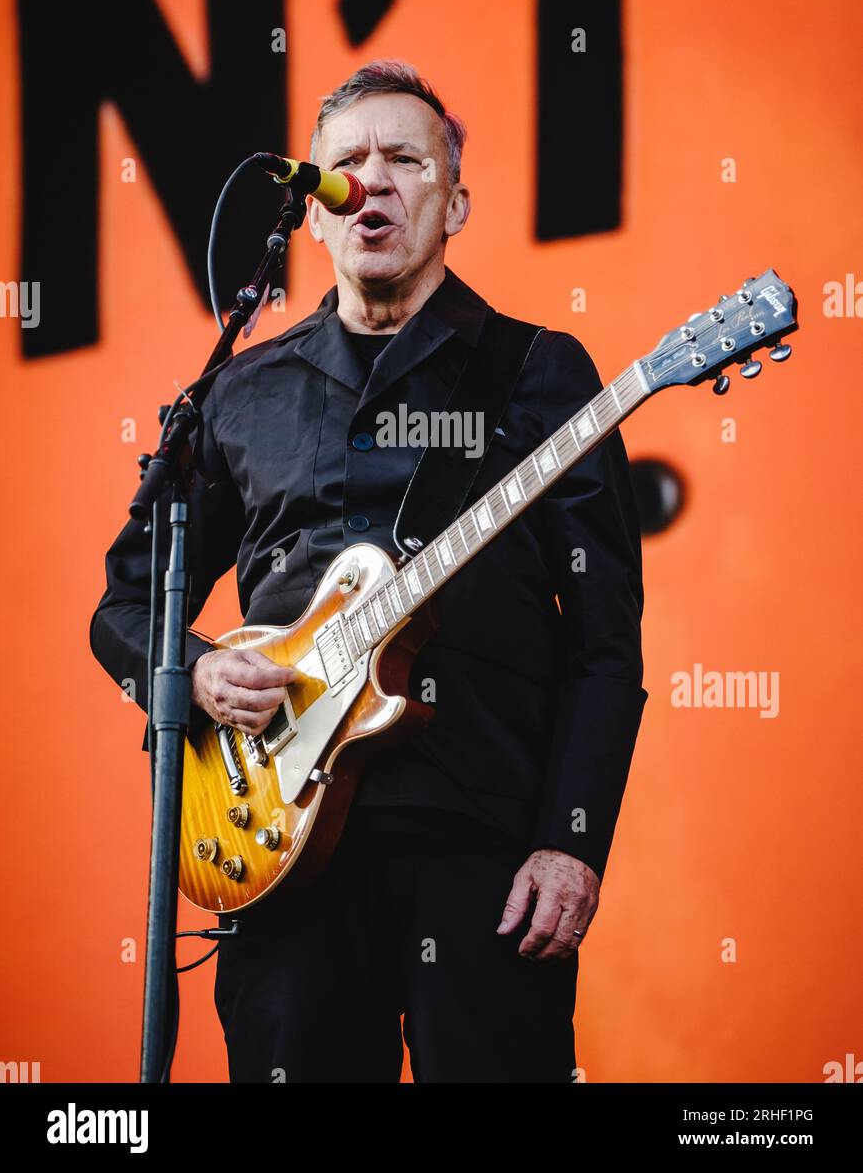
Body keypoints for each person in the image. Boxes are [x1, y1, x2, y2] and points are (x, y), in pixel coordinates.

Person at [90, 59, 648, 1084]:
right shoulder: (238, 391)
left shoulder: (537, 372)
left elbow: (606, 644)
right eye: (345, 162)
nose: (371, 179)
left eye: (403, 158)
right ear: (312, 210)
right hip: (278, 853)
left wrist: (572, 841)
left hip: (482, 849)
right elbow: (122, 606)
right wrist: (201, 671)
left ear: (455, 200)